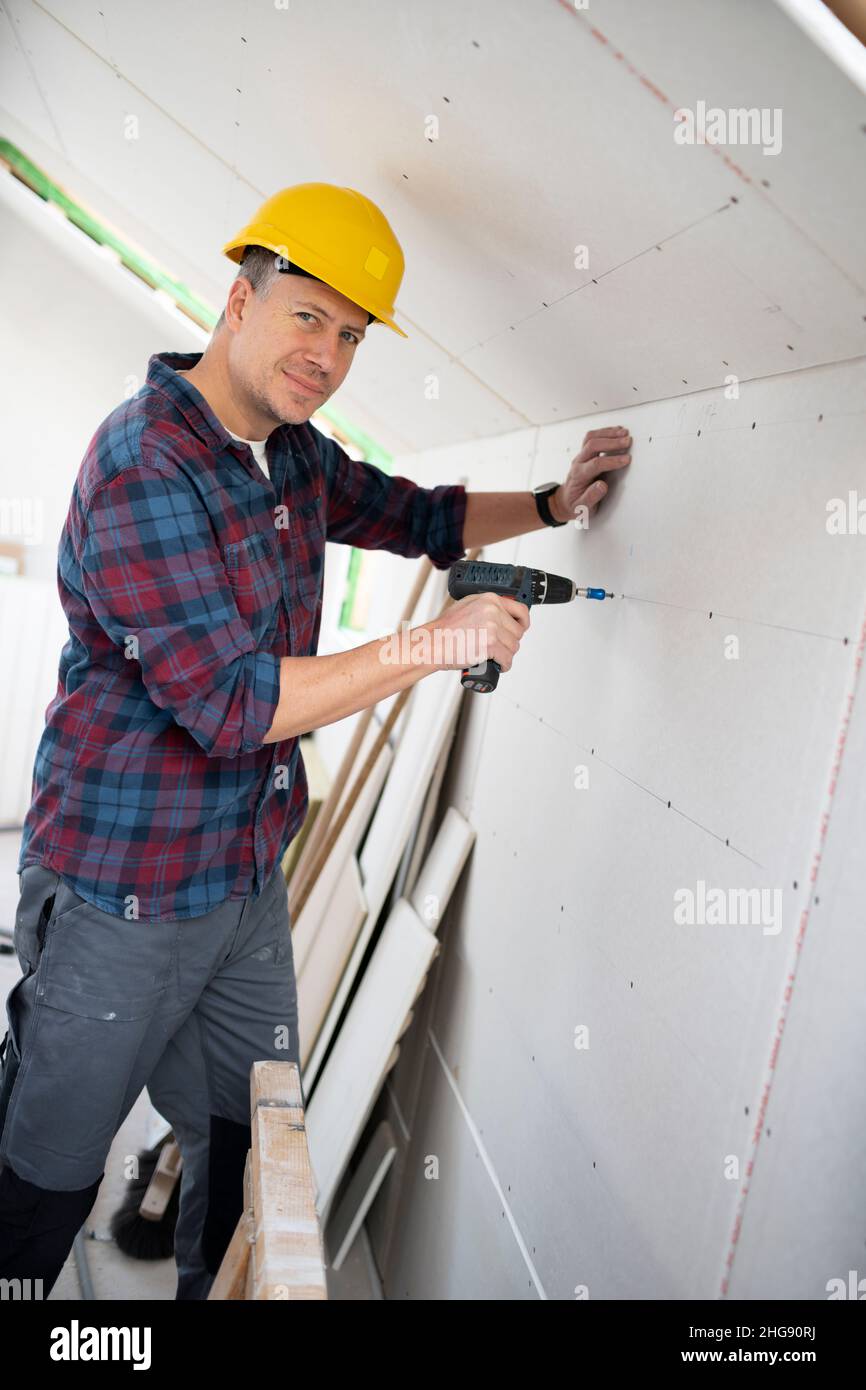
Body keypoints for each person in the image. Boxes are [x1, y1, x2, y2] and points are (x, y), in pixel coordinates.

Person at [0, 181, 629, 1299]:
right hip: (119, 894)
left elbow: (414, 516)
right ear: (238, 299)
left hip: (242, 883)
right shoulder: (144, 462)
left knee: (249, 1151)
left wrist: (545, 499)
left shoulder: (286, 452)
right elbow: (234, 705)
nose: (327, 355)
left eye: (349, 335)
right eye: (307, 316)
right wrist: (435, 646)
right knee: (44, 1173)